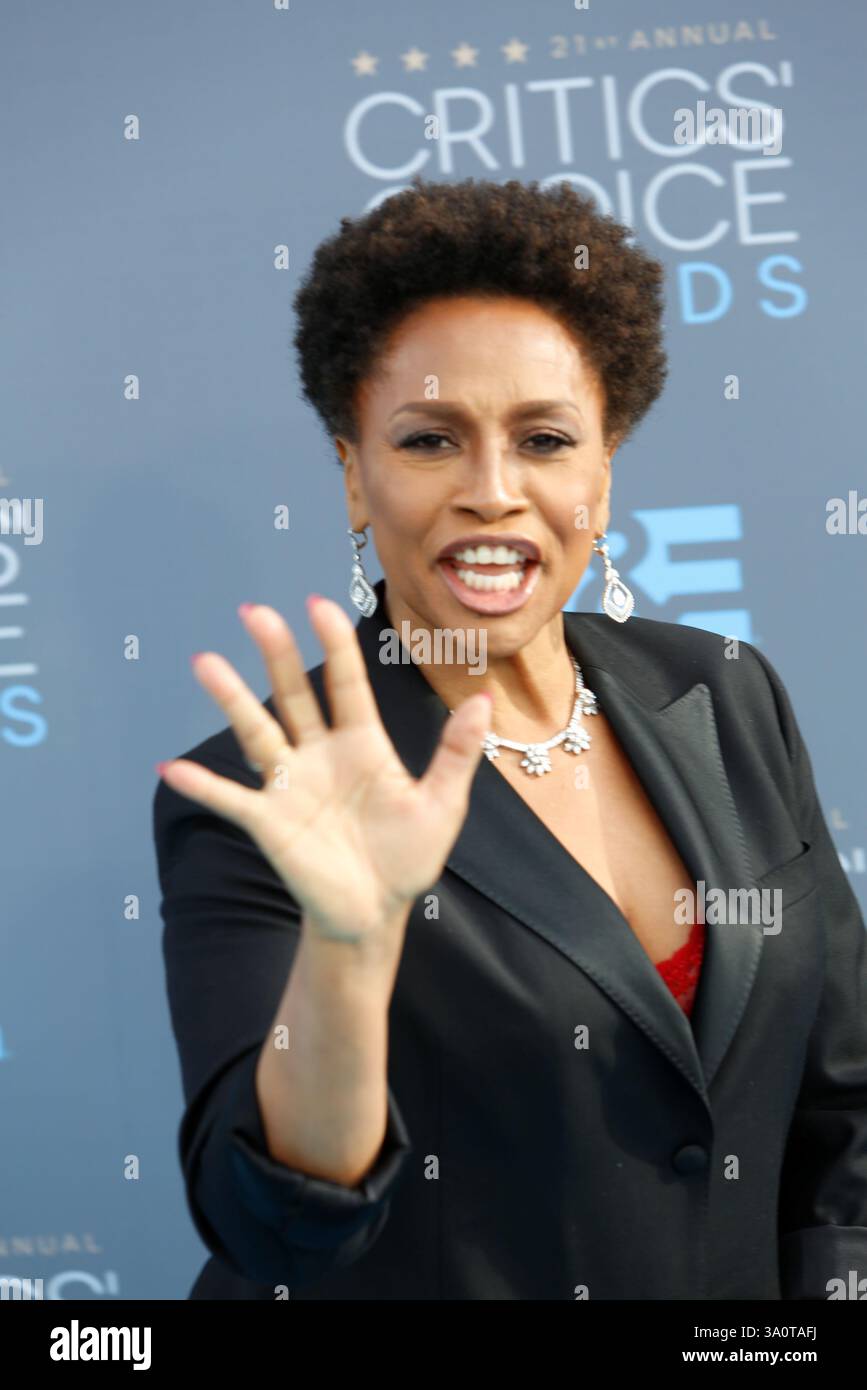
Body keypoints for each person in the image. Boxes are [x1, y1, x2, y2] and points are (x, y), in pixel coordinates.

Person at [152, 177, 867, 1301]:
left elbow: (842, 1104)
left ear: (604, 467)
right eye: (432, 439)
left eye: (543, 438)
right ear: (353, 475)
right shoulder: (263, 789)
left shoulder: (725, 694)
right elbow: (280, 1226)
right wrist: (353, 942)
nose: (494, 492)